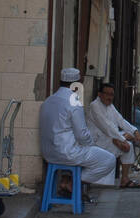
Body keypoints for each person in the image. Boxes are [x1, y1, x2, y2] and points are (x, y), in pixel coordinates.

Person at [39, 68, 117, 199]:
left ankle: (66, 180)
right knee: (109, 160)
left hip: (48, 154)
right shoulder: (74, 101)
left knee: (81, 153)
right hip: (66, 153)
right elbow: (82, 135)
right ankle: (71, 183)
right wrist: (92, 145)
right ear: (76, 84)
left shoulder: (48, 101)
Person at [87, 82, 140, 188]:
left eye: (111, 94)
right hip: (97, 141)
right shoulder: (95, 105)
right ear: (99, 94)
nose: (109, 97)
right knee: (127, 144)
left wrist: (135, 131)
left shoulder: (110, 106)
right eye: (106, 94)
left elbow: (120, 120)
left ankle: (125, 179)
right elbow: (106, 126)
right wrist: (121, 139)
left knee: (129, 145)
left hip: (109, 138)